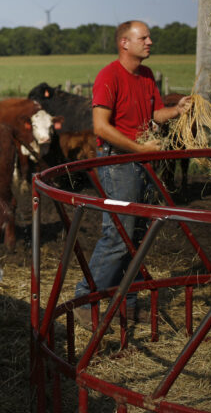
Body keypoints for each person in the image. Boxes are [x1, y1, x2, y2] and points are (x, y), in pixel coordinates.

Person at [74, 20, 190, 326]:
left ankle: (127, 300)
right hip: (118, 161)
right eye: (144, 37)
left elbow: (152, 116)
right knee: (119, 232)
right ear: (124, 43)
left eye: (150, 36)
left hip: (141, 159)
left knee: (137, 233)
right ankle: (85, 298)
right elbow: (101, 127)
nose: (150, 42)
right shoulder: (109, 76)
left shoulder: (147, 76)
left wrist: (178, 109)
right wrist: (139, 151)